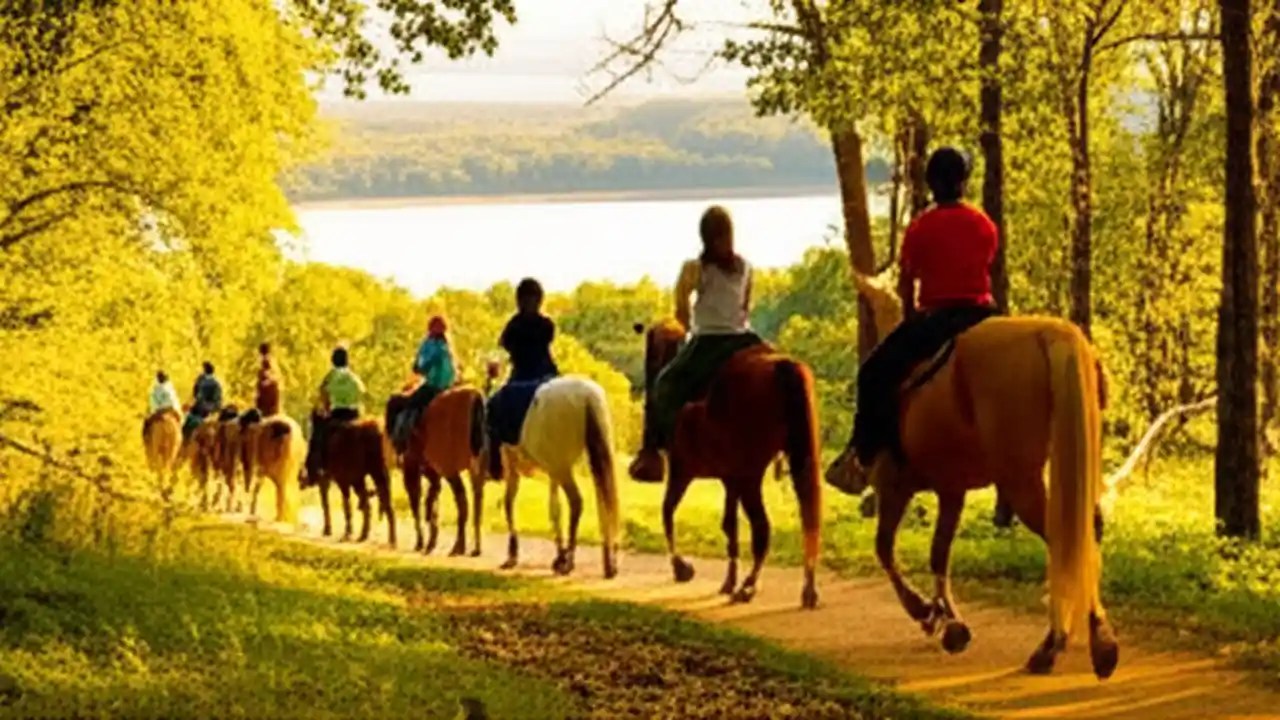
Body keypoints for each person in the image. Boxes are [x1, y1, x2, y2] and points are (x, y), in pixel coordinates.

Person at [849, 146, 1000, 467]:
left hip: (939, 319)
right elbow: (985, 265)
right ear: (963, 182)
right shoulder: (984, 224)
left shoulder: (920, 228)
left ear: (932, 185)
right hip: (983, 315)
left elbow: (906, 284)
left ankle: (869, 455)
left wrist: (909, 318)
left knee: (872, 374)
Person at [629, 205, 764, 483]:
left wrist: (684, 329)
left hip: (708, 341)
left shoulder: (695, 269)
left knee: (664, 385)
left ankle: (659, 450)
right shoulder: (746, 267)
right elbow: (745, 308)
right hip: (744, 339)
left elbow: (681, 313)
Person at [486, 278, 560, 476]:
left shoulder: (514, 325)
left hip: (523, 377)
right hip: (548, 375)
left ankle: (495, 464)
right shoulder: (546, 324)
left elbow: (506, 347)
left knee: (492, 407)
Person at [390, 315, 457, 452]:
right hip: (448, 387)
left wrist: (418, 368)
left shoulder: (430, 344)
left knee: (409, 404)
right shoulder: (448, 346)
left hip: (433, 386)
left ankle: (401, 439)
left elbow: (422, 366)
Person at [311, 346, 367, 470]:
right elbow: (362, 391)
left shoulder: (330, 376)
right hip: (354, 413)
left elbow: (323, 392)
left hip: (338, 412)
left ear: (333, 361)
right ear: (347, 360)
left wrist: (326, 407)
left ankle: (318, 467)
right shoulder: (353, 376)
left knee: (320, 437)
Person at [182, 361, 224, 439]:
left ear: (205, 370)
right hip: (208, 407)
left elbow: (196, 394)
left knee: (188, 423)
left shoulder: (202, 380)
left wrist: (202, 404)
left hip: (205, 408)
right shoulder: (216, 382)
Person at [143, 370, 181, 437]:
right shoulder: (170, 388)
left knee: (147, 424)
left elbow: (153, 404)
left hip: (159, 412)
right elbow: (174, 401)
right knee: (181, 421)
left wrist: (154, 410)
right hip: (171, 410)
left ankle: (146, 440)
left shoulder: (155, 390)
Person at [255, 342, 283, 417]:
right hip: (270, 397)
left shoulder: (266, 362)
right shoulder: (272, 363)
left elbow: (268, 377)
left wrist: (264, 382)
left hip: (267, 399)